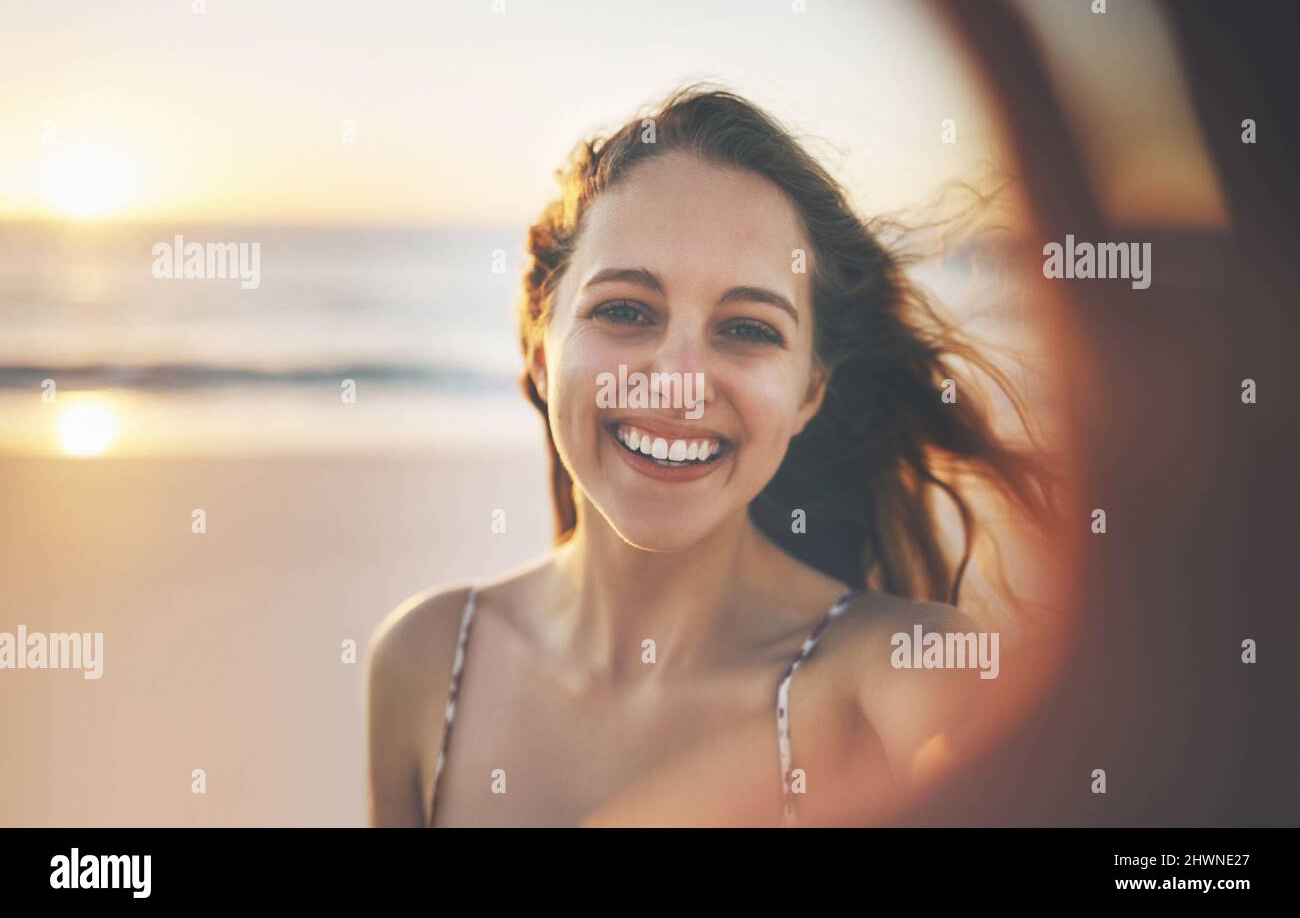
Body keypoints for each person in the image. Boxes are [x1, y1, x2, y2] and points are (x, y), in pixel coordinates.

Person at [367, 83, 1056, 827]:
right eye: (626, 311)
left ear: (808, 392)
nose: (681, 386)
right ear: (541, 352)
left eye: (748, 328)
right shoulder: (427, 660)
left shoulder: (901, 668)